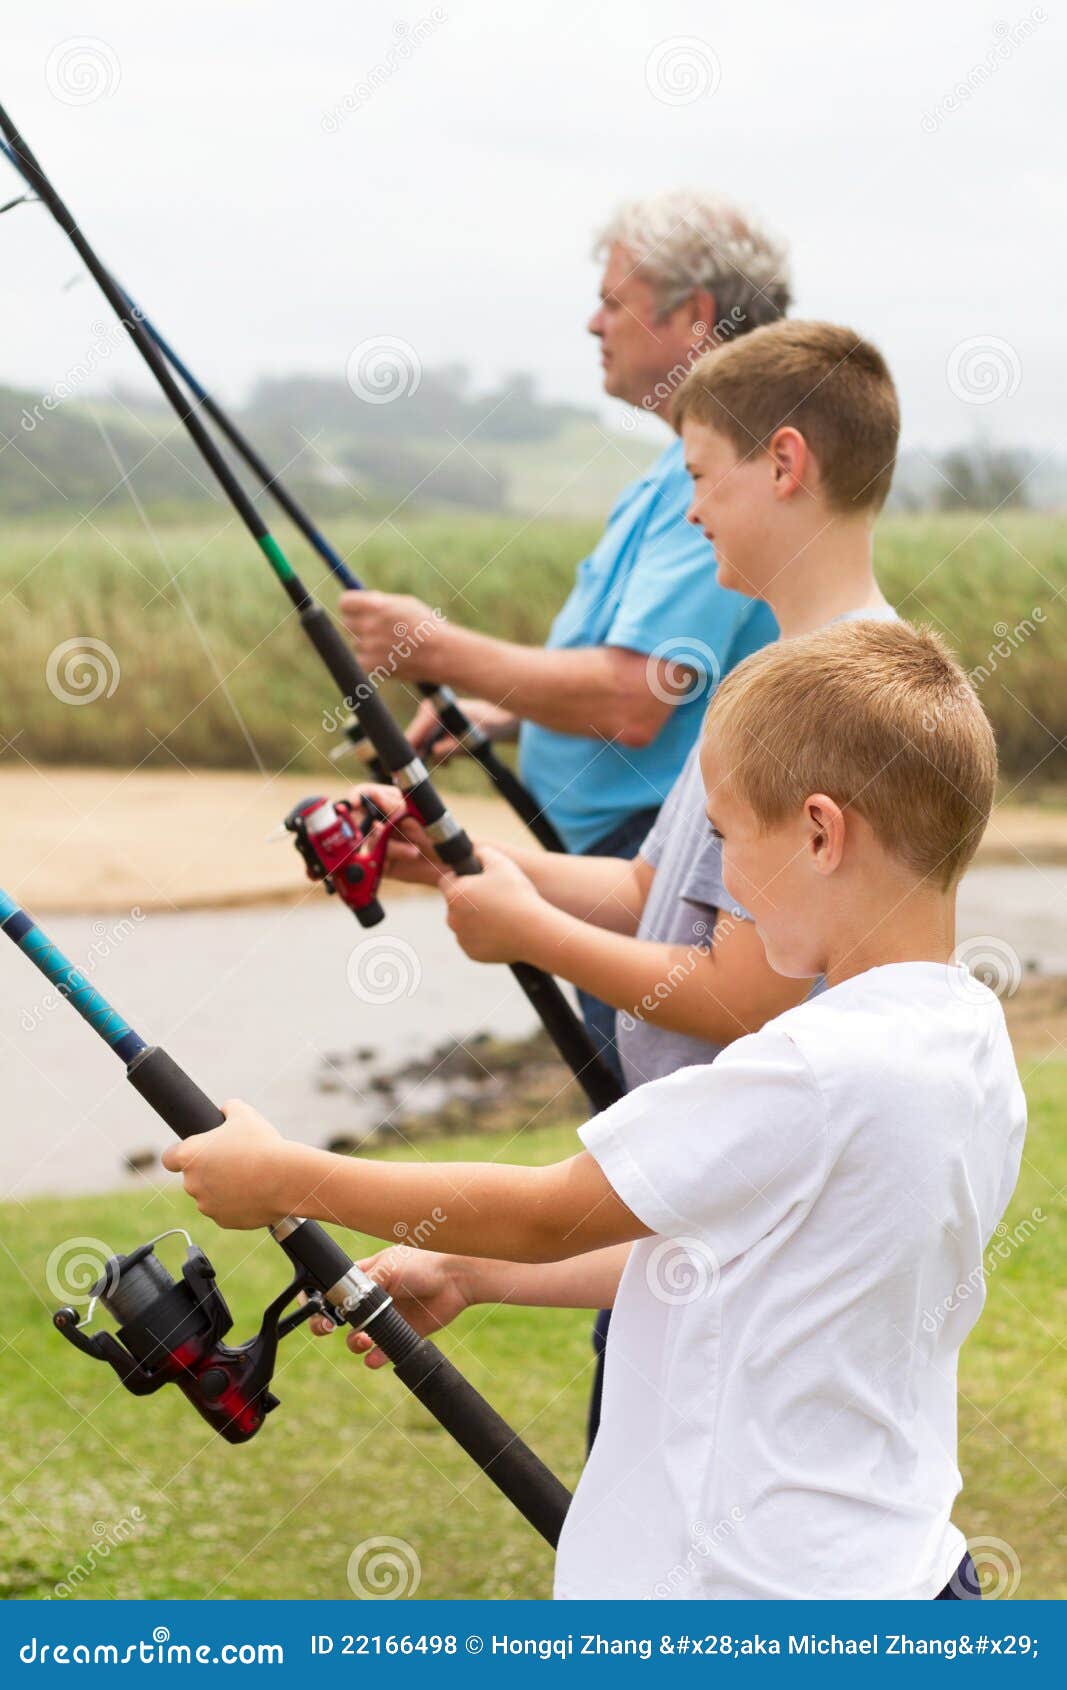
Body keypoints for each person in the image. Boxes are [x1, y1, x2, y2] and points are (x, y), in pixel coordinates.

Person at [164, 617, 1026, 1600]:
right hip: (902, 1575)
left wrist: (283, 1175)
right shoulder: (965, 1038)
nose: (722, 882)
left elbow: (548, 1210)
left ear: (820, 832)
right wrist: (470, 1270)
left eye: (724, 837)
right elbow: (722, 1249)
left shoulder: (812, 1071)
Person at [350, 318, 905, 1442]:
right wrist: (466, 859)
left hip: (747, 1225)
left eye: (700, 474)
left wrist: (529, 936)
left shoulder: (836, 705)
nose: (689, 507)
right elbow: (657, 888)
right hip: (691, 1205)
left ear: (785, 465)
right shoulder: (760, 682)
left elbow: (740, 993)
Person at [337, 191, 785, 1068]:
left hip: (655, 867)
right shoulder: (674, 472)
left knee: (659, 1144)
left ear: (691, 315)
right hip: (616, 862)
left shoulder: (724, 476)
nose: (592, 323)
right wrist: (500, 711)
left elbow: (633, 697)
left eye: (613, 300)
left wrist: (434, 649)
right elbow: (631, 672)